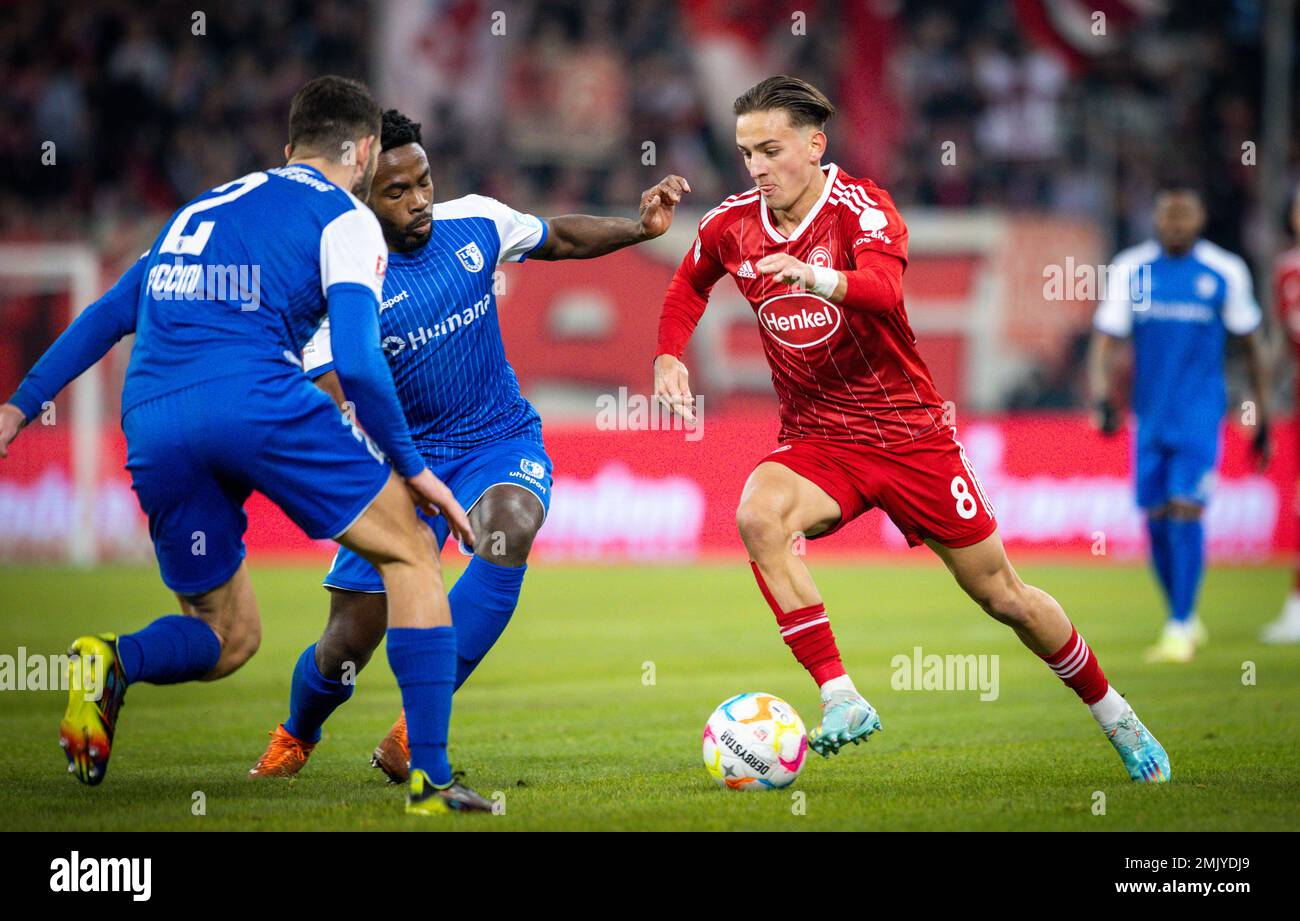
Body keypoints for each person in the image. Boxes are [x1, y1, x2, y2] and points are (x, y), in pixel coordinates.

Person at [653, 75, 1169, 782]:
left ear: (814, 143)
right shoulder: (732, 223)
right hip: (820, 440)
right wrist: (667, 358)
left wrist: (815, 277)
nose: (757, 167)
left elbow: (883, 289)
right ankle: (841, 696)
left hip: (911, 437)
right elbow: (687, 284)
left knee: (1004, 597)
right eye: (746, 153)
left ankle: (1116, 713)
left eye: (771, 150)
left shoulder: (864, 208)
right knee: (757, 516)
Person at [0, 77, 486, 815]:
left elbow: (105, 316)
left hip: (153, 415)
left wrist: (19, 406)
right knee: (411, 552)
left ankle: (114, 660)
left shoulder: (199, 208)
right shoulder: (346, 220)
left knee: (226, 635)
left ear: (291, 150)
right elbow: (356, 361)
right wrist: (415, 471)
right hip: (254, 397)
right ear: (363, 152)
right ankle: (432, 779)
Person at [247, 108, 691, 782]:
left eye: (423, 181)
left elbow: (558, 238)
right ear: (361, 200)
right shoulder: (336, 283)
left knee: (508, 528)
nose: (418, 200)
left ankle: (412, 731)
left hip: (496, 439)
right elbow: (328, 392)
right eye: (397, 192)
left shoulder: (475, 221)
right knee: (349, 641)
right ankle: (295, 735)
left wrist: (638, 228)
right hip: (399, 464)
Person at [1089, 185, 1272, 663]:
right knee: (1155, 515)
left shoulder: (1224, 271)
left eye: (1183, 215)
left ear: (1200, 219)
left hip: (1199, 413)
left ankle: (1180, 624)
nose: (1174, 224)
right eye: (1167, 216)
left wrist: (1262, 410)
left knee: (1186, 507)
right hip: (1149, 415)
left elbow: (1254, 344)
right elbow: (1105, 341)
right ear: (1156, 219)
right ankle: (1181, 614)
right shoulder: (1132, 269)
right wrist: (1101, 398)